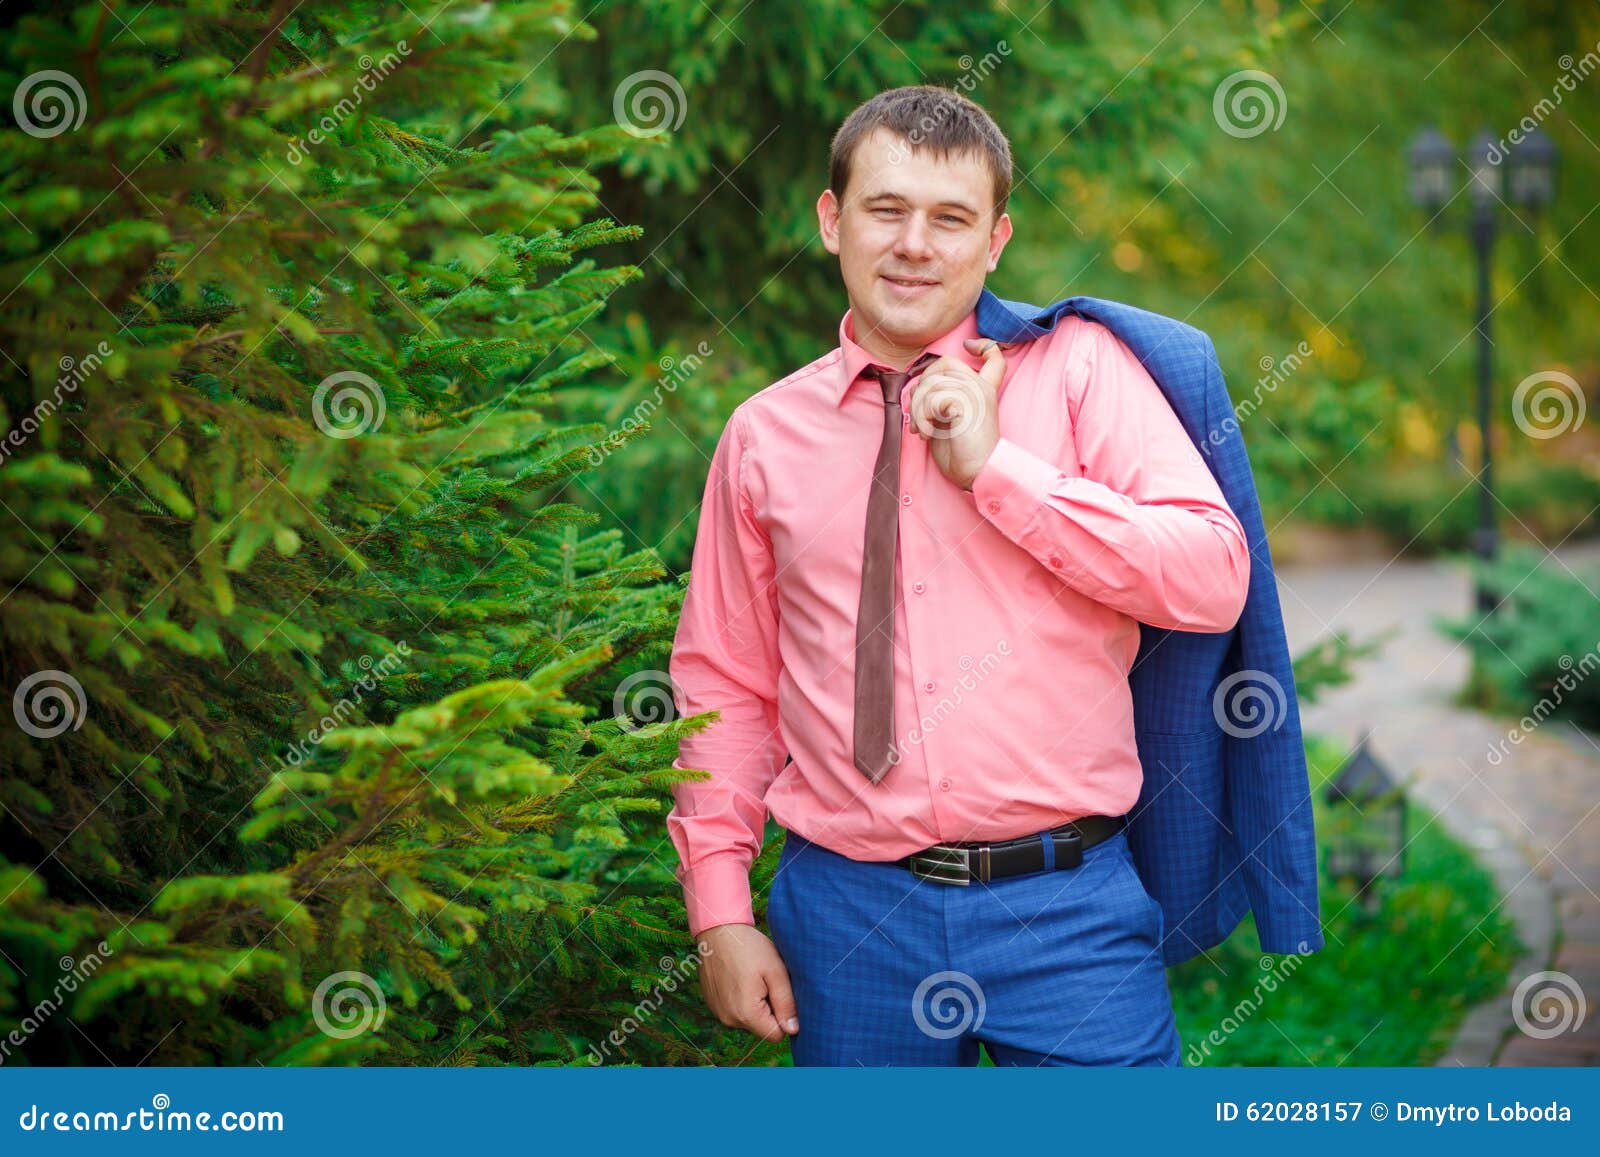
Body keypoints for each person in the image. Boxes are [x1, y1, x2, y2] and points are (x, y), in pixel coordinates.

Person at [664, 85, 1251, 1066]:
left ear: (996, 239)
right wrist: (718, 908)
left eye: (950, 219)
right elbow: (723, 683)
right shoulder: (763, 435)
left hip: (1065, 909)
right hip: (847, 915)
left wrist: (999, 472)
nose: (913, 245)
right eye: (885, 209)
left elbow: (1209, 574)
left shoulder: (1079, 372)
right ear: (830, 220)